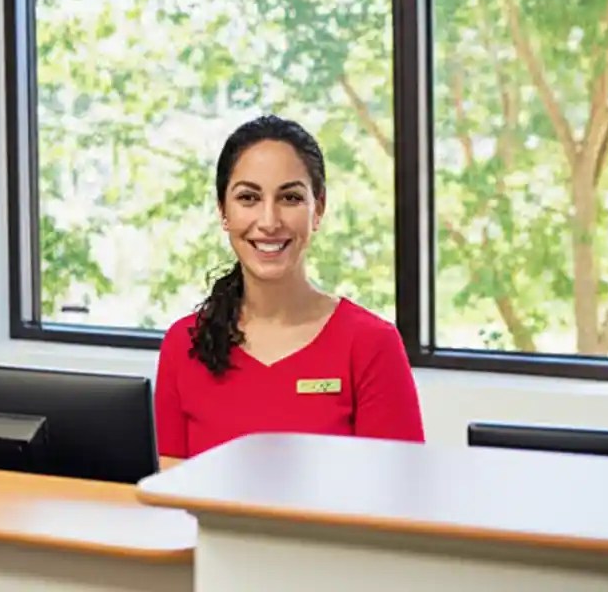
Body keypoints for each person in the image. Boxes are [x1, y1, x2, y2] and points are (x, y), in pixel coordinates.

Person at [154, 114, 425, 460]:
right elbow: (165, 492)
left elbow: (402, 497)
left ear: (318, 209)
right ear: (223, 211)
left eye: (290, 198)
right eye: (249, 198)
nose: (269, 222)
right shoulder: (183, 345)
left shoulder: (372, 345)